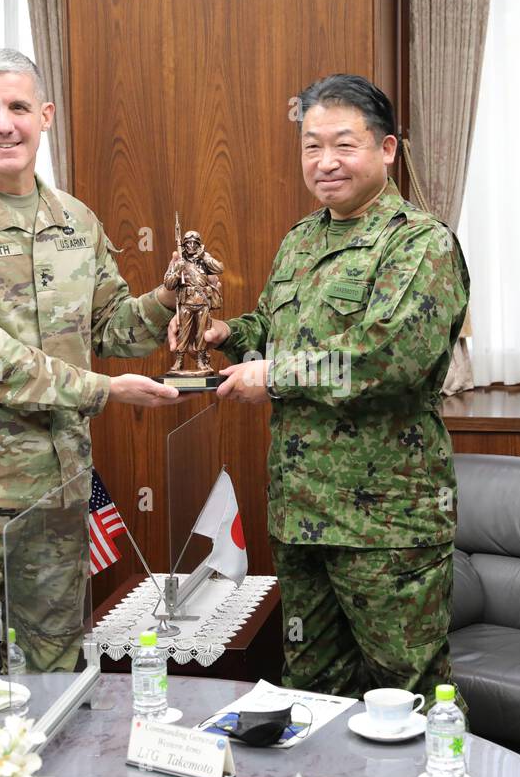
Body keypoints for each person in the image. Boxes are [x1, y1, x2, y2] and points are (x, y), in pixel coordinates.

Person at [173, 73, 470, 709]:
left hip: (385, 524)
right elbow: (273, 334)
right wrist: (225, 334)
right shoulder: (301, 240)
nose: (325, 161)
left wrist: (273, 377)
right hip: (301, 517)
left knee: (410, 695)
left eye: (344, 144)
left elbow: (388, 358)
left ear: (386, 150)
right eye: (312, 146)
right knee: (310, 693)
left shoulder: (420, 243)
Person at [0, 48, 181, 679]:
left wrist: (167, 298)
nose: (5, 124)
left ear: (45, 116)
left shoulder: (75, 220)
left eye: (19, 107)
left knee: (58, 674)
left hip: (55, 496)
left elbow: (112, 328)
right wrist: (105, 391)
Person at [163, 230, 224, 374]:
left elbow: (219, 268)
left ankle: (201, 360)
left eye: (194, 243)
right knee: (183, 333)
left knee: (202, 333)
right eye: (188, 243)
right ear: (184, 245)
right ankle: (179, 360)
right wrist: (177, 271)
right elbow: (169, 284)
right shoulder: (179, 262)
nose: (191, 246)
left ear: (199, 245)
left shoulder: (204, 259)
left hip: (202, 302)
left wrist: (204, 256)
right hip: (186, 302)